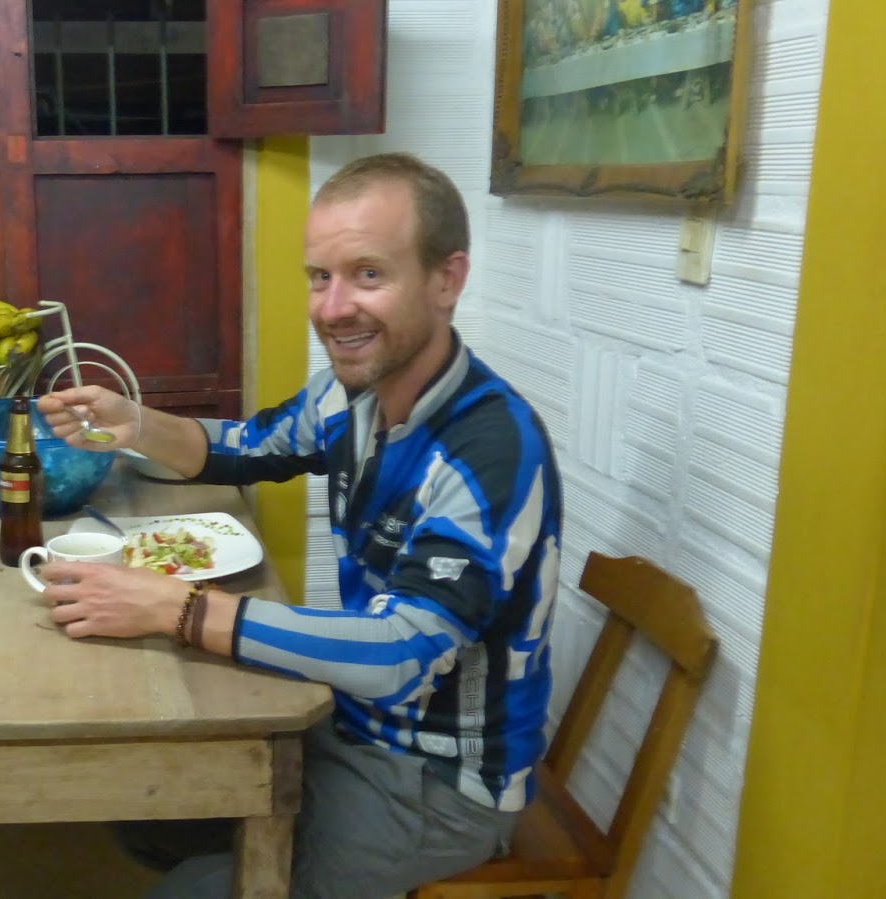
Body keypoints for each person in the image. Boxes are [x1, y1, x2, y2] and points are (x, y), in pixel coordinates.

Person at [37, 153, 563, 899]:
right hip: (343, 718)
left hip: (435, 783)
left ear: (446, 280)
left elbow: (401, 653)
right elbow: (244, 447)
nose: (333, 307)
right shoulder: (349, 397)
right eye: (321, 276)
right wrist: (136, 425)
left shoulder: (493, 450)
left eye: (368, 274)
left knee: (186, 888)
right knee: (145, 805)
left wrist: (178, 608)